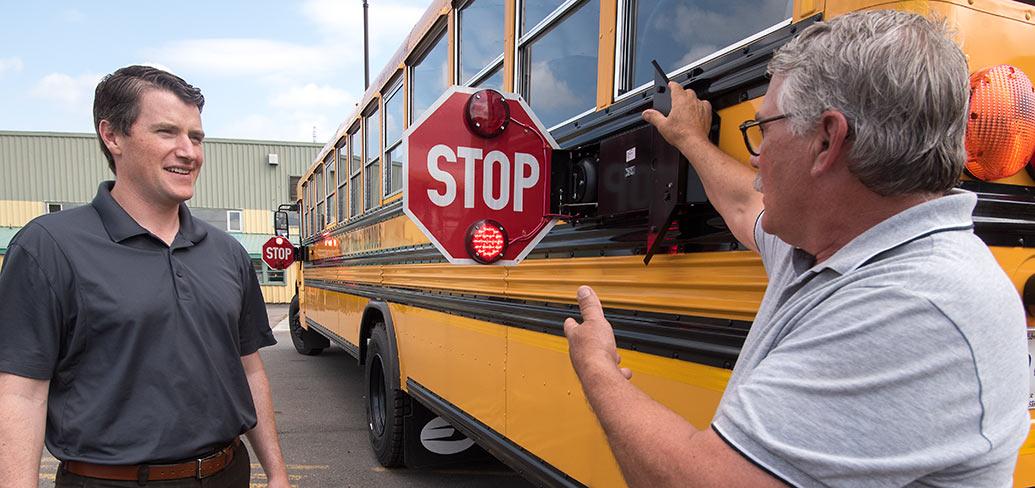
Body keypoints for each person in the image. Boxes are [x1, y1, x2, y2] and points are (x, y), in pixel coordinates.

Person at [564, 10, 1029, 487]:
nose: (755, 154)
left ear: (826, 139)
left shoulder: (918, 305)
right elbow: (746, 205)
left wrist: (596, 369)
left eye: (763, 129)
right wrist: (688, 138)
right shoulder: (830, 243)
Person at [0, 65, 290, 488]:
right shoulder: (49, 246)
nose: (189, 151)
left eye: (196, 137)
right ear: (113, 136)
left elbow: (248, 369)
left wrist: (278, 474)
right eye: (167, 132)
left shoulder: (226, 252)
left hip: (227, 473)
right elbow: (21, 392)